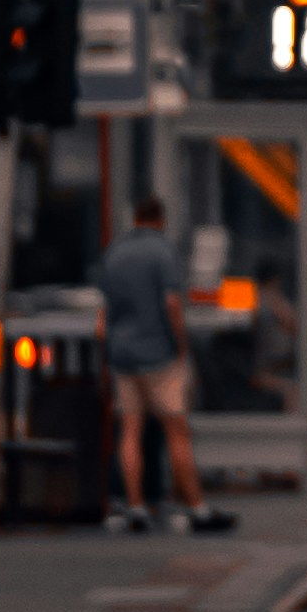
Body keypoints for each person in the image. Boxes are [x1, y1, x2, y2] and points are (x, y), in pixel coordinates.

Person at [96, 216, 200, 533]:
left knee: (130, 431)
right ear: (160, 219)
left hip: (123, 355)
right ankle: (195, 505)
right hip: (158, 354)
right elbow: (172, 304)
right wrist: (180, 346)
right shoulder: (163, 252)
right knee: (176, 429)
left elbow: (104, 315)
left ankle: (135, 504)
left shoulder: (114, 253)